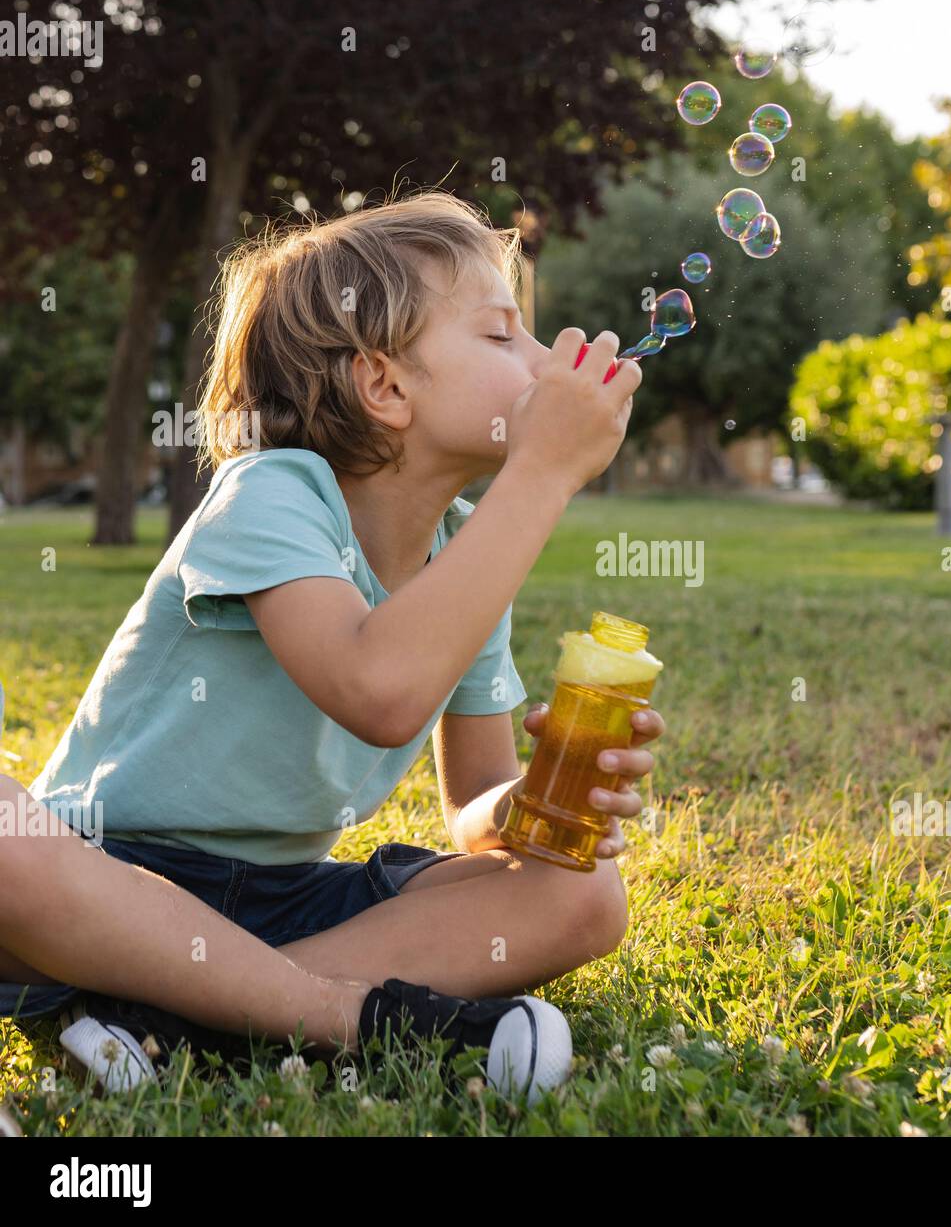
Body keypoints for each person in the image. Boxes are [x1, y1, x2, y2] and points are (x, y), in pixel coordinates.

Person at [0, 189, 664, 1105]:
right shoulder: (271, 494)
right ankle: (346, 1018)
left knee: (581, 893)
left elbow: (473, 804)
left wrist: (546, 794)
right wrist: (543, 472)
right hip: (107, 882)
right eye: (502, 334)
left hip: (284, 899)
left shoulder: (464, 551)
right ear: (385, 384)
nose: (546, 360)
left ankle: (179, 1023)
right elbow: (377, 687)